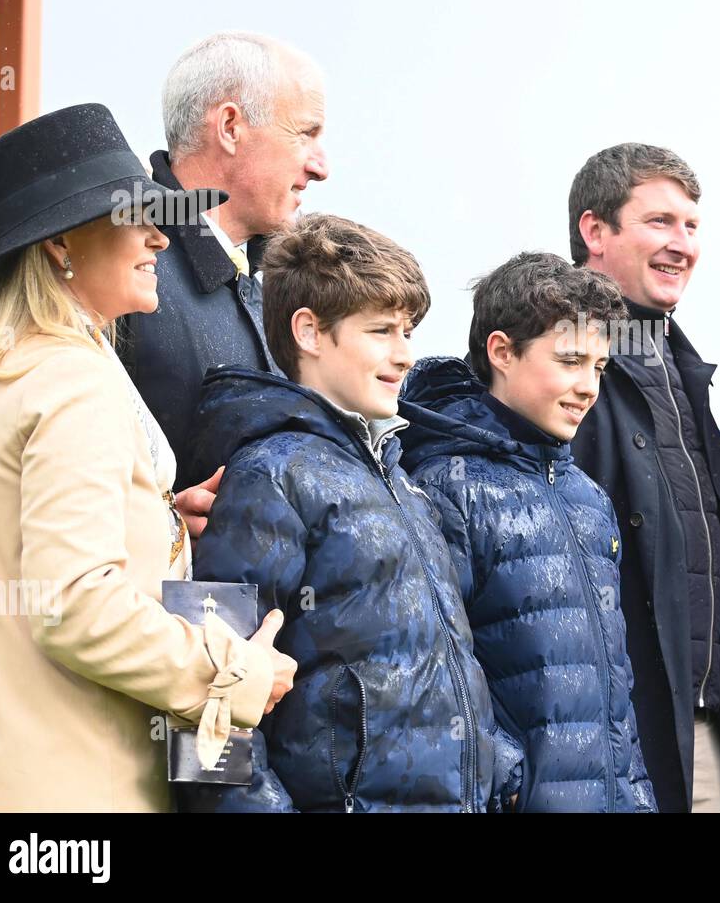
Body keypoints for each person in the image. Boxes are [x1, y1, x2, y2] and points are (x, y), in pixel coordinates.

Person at [0, 104, 295, 811]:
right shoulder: (71, 377)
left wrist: (151, 513)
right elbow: (73, 603)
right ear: (59, 247)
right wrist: (236, 671)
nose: (157, 238)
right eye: (135, 216)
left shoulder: (0, 372)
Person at [179, 214, 521, 812]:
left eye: (409, 330)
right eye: (382, 330)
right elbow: (201, 701)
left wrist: (501, 768)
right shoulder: (267, 475)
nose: (405, 354)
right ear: (309, 331)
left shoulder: (397, 476)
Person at [568, 143, 720, 812]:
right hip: (618, 741)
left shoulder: (675, 364)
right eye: (660, 222)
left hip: (711, 728)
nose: (682, 244)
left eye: (692, 226)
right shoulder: (564, 364)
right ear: (594, 231)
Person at [400, 252, 656, 812]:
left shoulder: (587, 498)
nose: (588, 386)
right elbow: (426, 673)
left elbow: (616, 691)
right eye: (569, 361)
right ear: (502, 352)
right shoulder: (445, 486)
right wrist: (507, 780)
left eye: (599, 367)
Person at [118, 31, 330, 489]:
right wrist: (166, 520)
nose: (321, 166)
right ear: (230, 128)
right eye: (305, 134)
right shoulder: (114, 265)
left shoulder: (289, 282)